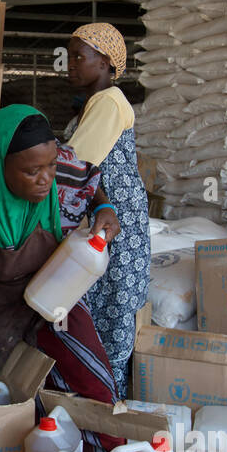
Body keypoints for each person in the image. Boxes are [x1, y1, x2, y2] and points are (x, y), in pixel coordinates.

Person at [0, 104, 125, 452]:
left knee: (92, 380)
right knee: (4, 397)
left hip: (54, 288)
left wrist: (103, 209)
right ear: (0, 165)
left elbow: (89, 181)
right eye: (32, 171)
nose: (46, 178)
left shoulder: (58, 169)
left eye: (50, 165)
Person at [65, 23, 151, 404]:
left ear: (104, 62)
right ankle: (98, 400)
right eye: (69, 56)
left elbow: (76, 164)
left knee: (112, 311)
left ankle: (108, 406)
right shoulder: (94, 105)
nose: (70, 64)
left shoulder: (109, 102)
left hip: (117, 225)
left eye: (78, 57)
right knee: (98, 307)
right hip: (105, 220)